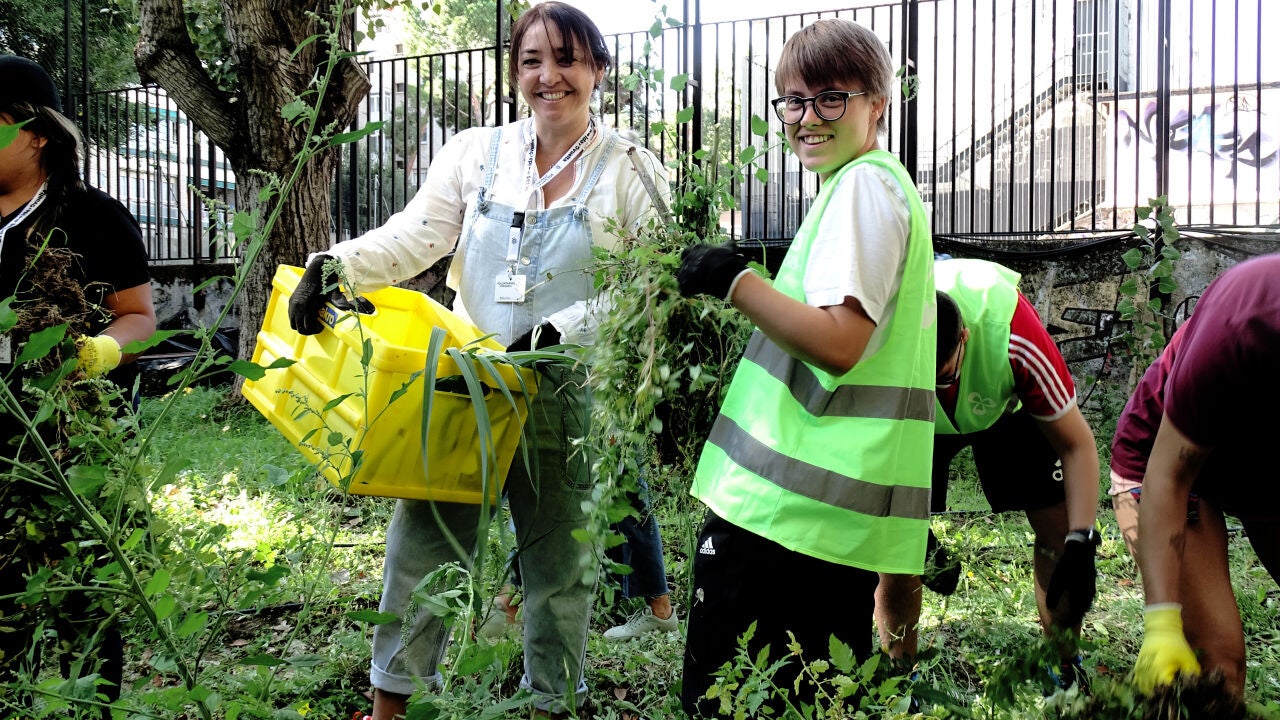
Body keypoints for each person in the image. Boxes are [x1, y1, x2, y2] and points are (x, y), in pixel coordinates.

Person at [285, 5, 666, 718]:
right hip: (464, 387)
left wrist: (556, 333)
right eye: (531, 61)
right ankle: (391, 704)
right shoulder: (475, 152)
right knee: (423, 545)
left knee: (560, 563)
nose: (548, 76)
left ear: (597, 70)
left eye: (567, 59)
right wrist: (337, 265)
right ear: (515, 71)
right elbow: (417, 235)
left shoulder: (633, 170)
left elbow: (650, 287)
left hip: (567, 394)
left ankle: (551, 701)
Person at [674, 19, 936, 716]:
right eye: (793, 100)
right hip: (813, 523)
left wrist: (737, 283)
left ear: (876, 103)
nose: (807, 117)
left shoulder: (863, 189)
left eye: (831, 98)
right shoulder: (861, 188)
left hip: (786, 521)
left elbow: (841, 342)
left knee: (727, 701)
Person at [0, 55, 156, 712]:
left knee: (84, 602)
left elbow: (140, 317)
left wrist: (98, 353)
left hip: (73, 447)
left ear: (36, 133)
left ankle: (96, 706)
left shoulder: (92, 218)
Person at [875, 258, 1102, 686]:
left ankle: (1064, 665)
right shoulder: (880, 341)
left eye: (944, 375)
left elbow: (1077, 444)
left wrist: (1082, 537)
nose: (941, 388)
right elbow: (863, 445)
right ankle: (900, 679)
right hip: (916, 422)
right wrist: (909, 535)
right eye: (929, 378)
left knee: (1060, 530)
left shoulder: (1017, 338)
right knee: (897, 556)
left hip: (1004, 403)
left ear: (964, 338)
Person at [1109, 254, 1280, 698]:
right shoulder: (1244, 317)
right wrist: (1161, 622)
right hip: (1167, 463)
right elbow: (1167, 476)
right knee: (1219, 664)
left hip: (1263, 469)